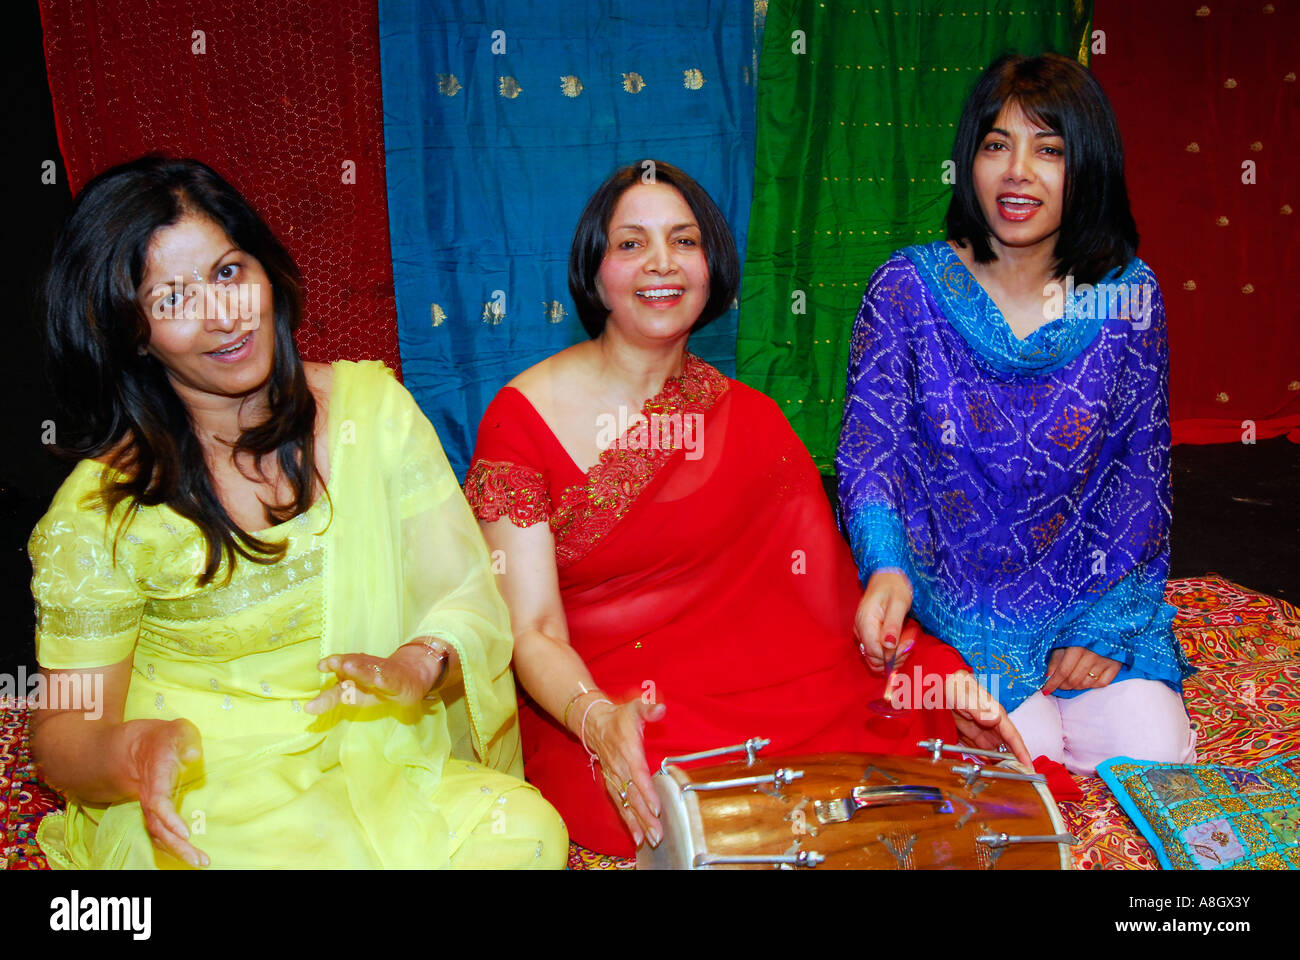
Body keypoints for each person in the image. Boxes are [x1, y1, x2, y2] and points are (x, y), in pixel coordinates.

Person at [465, 161, 1027, 858]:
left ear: (713, 265)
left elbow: (823, 610)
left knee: (862, 769)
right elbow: (532, 629)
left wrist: (932, 678)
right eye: (632, 244)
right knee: (673, 795)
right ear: (595, 269)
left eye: (685, 241)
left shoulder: (752, 421)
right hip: (599, 701)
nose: (661, 264)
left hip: (760, 684)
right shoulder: (522, 419)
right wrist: (599, 721)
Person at [28, 156, 566, 869]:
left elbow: (464, 593)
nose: (224, 316)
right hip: (209, 796)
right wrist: (136, 751)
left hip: (377, 758)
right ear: (133, 332)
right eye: (173, 299)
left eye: (227, 273)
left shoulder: (370, 414)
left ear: (264, 269)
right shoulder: (103, 509)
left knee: (527, 834)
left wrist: (418, 664)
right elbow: (62, 731)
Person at [836, 53, 1196, 777]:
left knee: (1155, 753)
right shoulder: (906, 290)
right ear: (969, 160)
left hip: (1084, 588)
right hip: (953, 602)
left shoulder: (1126, 295)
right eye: (997, 145)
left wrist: (1108, 624)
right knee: (1018, 764)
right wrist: (885, 568)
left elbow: (1140, 470)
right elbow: (869, 455)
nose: (1017, 172)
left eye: (1049, 149)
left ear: (1086, 165)